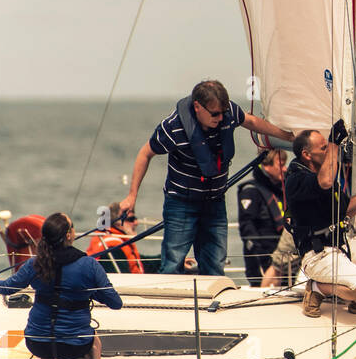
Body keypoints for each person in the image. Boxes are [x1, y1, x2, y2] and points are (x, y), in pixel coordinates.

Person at [119, 80, 294, 276]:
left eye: (222, 112)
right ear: (197, 107)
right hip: (181, 203)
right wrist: (132, 196)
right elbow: (145, 154)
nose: (220, 118)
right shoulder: (173, 128)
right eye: (214, 114)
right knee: (173, 263)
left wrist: (288, 136)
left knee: (215, 263)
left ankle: (211, 304)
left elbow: (252, 121)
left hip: (214, 202)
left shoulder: (228, 113)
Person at [0, 212, 125, 359]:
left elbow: (7, 287)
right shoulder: (88, 264)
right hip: (74, 347)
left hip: (36, 343)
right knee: (93, 337)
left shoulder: (34, 263)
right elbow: (115, 303)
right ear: (69, 235)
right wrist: (88, 292)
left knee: (46, 335)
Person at [284, 126, 356, 319]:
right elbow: (325, 182)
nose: (327, 151)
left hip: (341, 248)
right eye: (323, 148)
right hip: (317, 257)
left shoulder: (324, 176)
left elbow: (346, 210)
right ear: (306, 154)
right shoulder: (297, 179)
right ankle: (318, 288)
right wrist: (334, 145)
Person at [237, 149, 287, 285]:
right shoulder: (250, 191)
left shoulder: (282, 190)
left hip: (282, 256)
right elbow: (247, 227)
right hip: (262, 258)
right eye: (281, 164)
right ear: (266, 165)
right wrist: (262, 258)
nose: (285, 168)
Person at [86, 202, 151, 273]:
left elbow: (137, 261)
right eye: (131, 219)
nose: (136, 222)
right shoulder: (113, 248)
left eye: (135, 218)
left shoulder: (115, 241)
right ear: (117, 223)